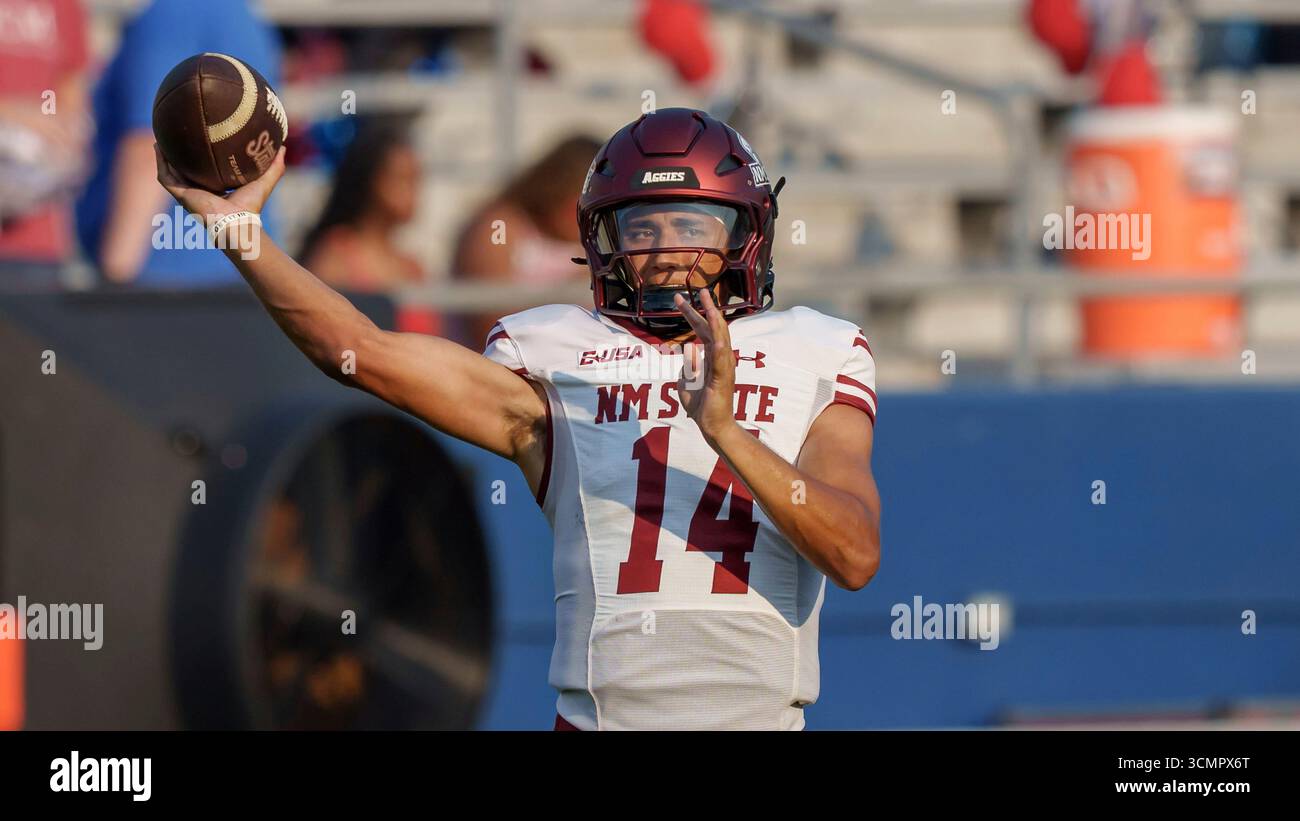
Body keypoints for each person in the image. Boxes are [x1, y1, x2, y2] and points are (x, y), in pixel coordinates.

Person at [155, 108, 881, 731]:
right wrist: (241, 235)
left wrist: (724, 431)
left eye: (691, 223)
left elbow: (853, 554)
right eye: (641, 226)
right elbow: (358, 351)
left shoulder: (811, 351)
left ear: (743, 236)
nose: (665, 251)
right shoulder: (556, 361)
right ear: (606, 241)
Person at [75, 0, 281, 287]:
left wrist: (115, 278)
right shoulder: (237, 14)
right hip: (233, 269)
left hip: (166, 282)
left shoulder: (178, 11)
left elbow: (146, 147)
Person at [450, 134, 601, 346]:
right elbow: (491, 329)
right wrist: (569, 291)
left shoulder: (595, 237)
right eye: (583, 205)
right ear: (558, 188)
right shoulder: (499, 225)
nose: (588, 218)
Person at [298, 119, 438, 334]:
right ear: (369, 180)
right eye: (402, 179)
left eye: (416, 179)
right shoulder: (335, 256)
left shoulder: (413, 268)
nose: (414, 192)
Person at [0, 0, 90, 289]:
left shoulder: (63, 6)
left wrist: (55, 133)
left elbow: (68, 95)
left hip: (35, 244)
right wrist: (14, 114)